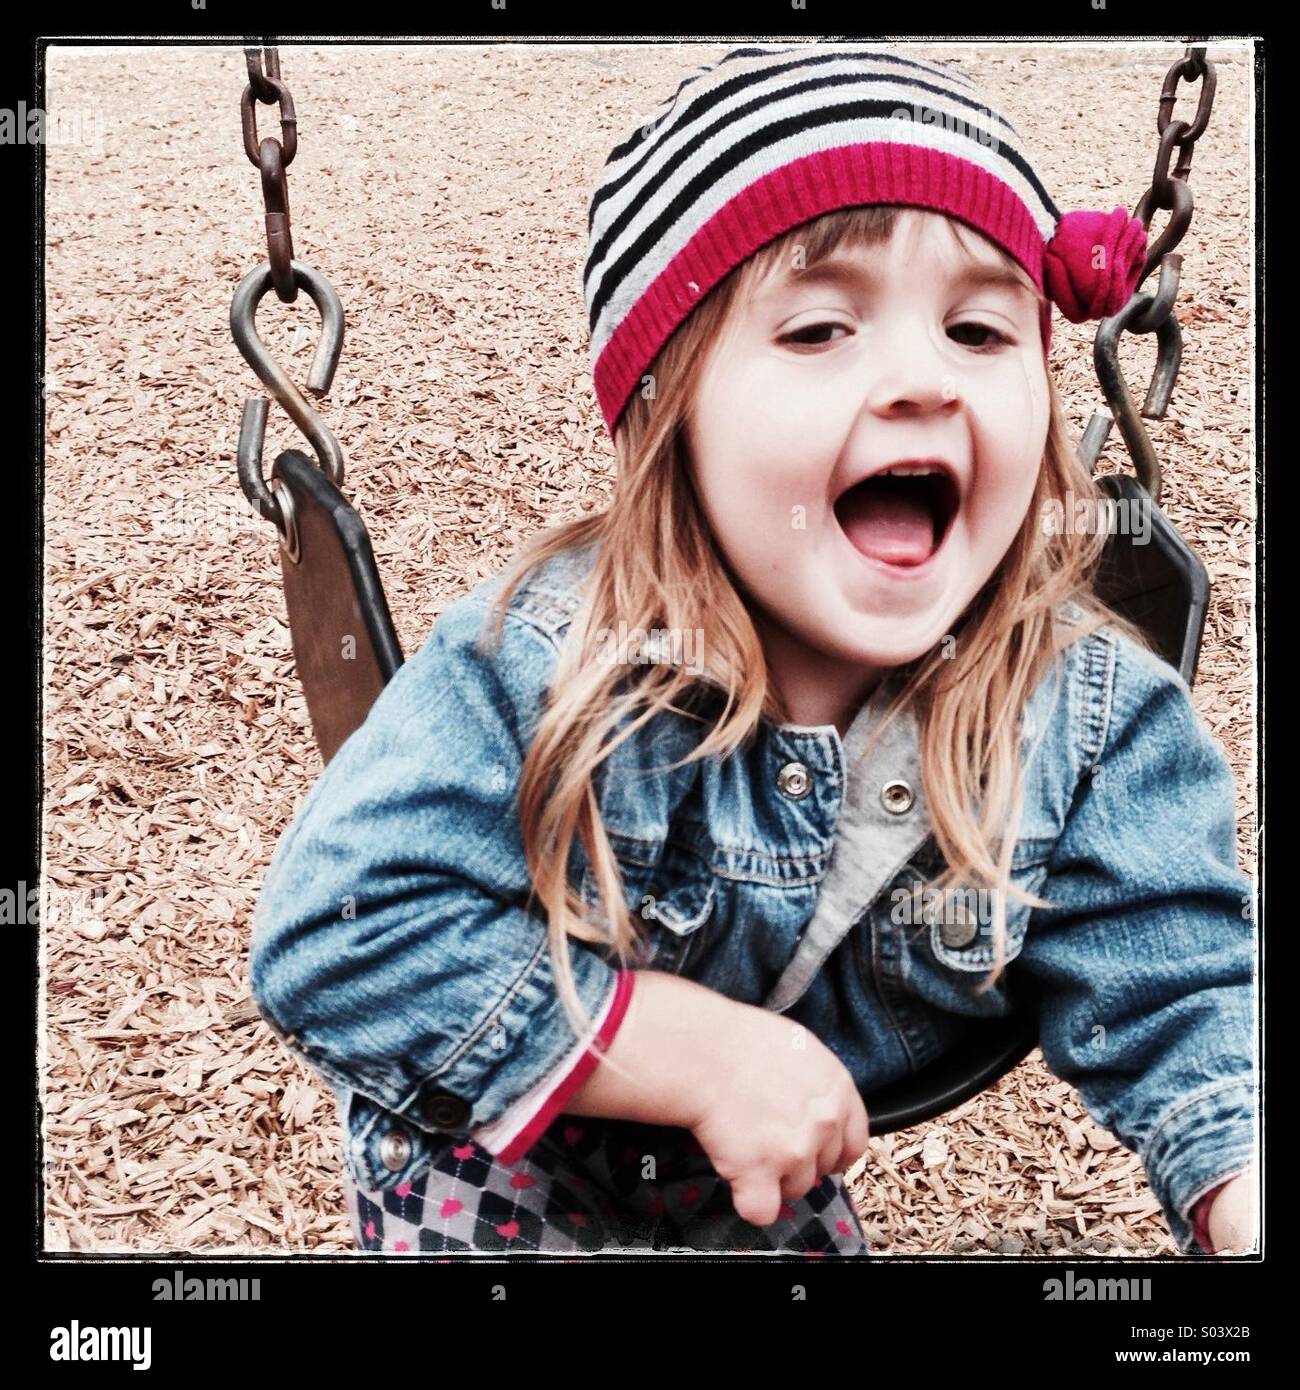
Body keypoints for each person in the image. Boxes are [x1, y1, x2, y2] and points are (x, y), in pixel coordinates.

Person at [248, 43, 1258, 1257]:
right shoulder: (543, 659)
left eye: (980, 332)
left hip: (771, 1168)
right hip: (497, 1129)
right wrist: (691, 1052)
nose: (919, 381)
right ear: (671, 415)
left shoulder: (1088, 714)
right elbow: (339, 933)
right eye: (821, 327)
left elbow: (1187, 985)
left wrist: (1237, 1177)